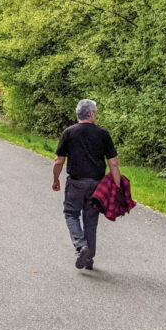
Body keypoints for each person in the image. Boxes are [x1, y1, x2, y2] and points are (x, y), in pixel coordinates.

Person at [52, 99, 121, 270]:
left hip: (75, 184)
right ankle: (89, 258)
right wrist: (117, 187)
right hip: (97, 186)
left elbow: (59, 161)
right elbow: (113, 164)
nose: (95, 116)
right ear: (90, 114)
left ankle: (81, 245)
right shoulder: (103, 134)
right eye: (95, 113)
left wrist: (55, 179)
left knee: (70, 214)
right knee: (91, 221)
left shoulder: (68, 133)